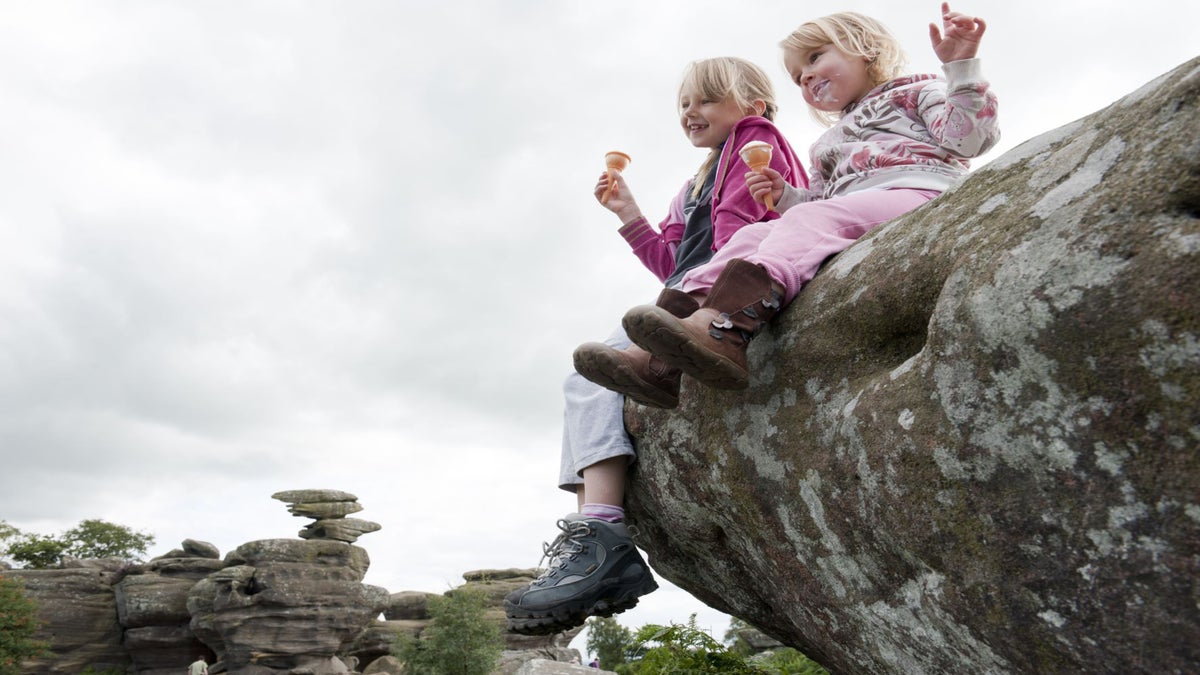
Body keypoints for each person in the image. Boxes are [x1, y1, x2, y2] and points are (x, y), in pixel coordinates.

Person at [503, 56, 807, 635]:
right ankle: (594, 538)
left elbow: (752, 225)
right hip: (691, 284)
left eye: (708, 100)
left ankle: (600, 538)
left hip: (723, 286)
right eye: (684, 105)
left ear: (754, 107)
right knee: (590, 376)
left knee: (590, 376)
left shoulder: (755, 139)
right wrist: (629, 214)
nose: (692, 112)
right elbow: (670, 261)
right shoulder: (695, 182)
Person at [587, 3, 999, 399]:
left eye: (815, 57)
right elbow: (819, 200)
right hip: (851, 207)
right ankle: (659, 360)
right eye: (798, 75)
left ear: (866, 48)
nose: (806, 77)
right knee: (750, 239)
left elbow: (968, 139)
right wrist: (784, 196)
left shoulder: (917, 92)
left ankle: (726, 330)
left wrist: (961, 67)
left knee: (805, 222)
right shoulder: (826, 143)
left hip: (915, 190)